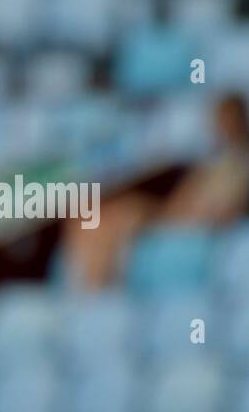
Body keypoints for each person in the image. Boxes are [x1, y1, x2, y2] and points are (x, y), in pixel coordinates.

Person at [62, 93, 249, 289]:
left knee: (119, 216)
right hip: (174, 213)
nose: (219, 126)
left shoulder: (241, 164)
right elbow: (184, 198)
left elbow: (224, 210)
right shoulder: (215, 159)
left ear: (237, 120)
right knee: (92, 214)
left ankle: (99, 285)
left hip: (188, 220)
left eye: (225, 119)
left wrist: (190, 215)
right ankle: (91, 284)